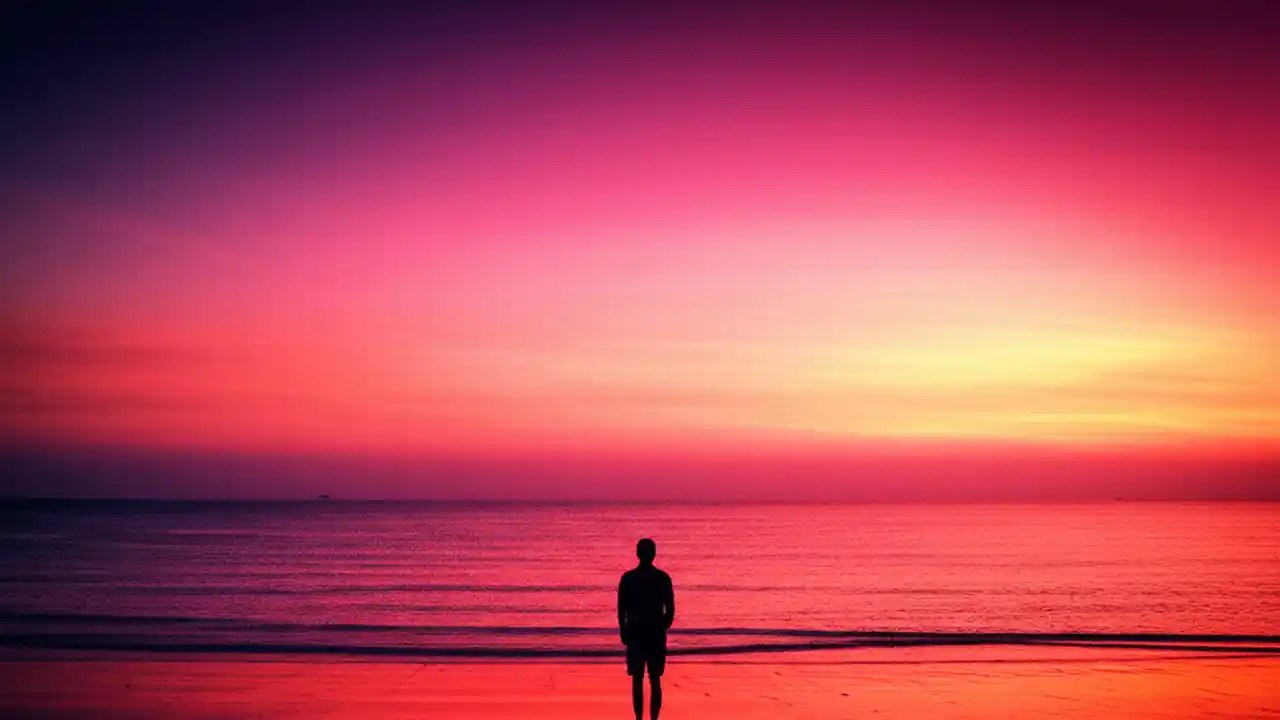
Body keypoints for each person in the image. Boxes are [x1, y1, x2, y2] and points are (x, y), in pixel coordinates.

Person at [617, 537, 675, 720]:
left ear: (637, 554)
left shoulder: (628, 579)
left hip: (637, 633)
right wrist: (662, 627)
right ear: (654, 554)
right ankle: (652, 718)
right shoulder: (662, 578)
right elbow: (670, 609)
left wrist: (624, 630)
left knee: (638, 679)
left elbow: (621, 609)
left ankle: (640, 718)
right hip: (652, 634)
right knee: (654, 679)